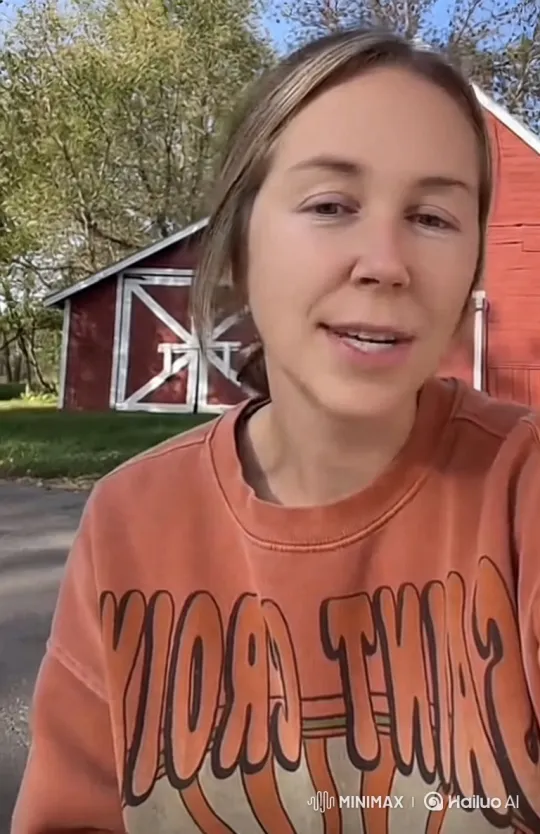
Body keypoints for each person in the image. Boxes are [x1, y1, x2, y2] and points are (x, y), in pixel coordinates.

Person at [11, 24, 540, 834]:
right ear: (236, 251)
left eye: (432, 217)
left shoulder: (523, 492)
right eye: (330, 205)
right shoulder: (131, 521)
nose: (385, 262)